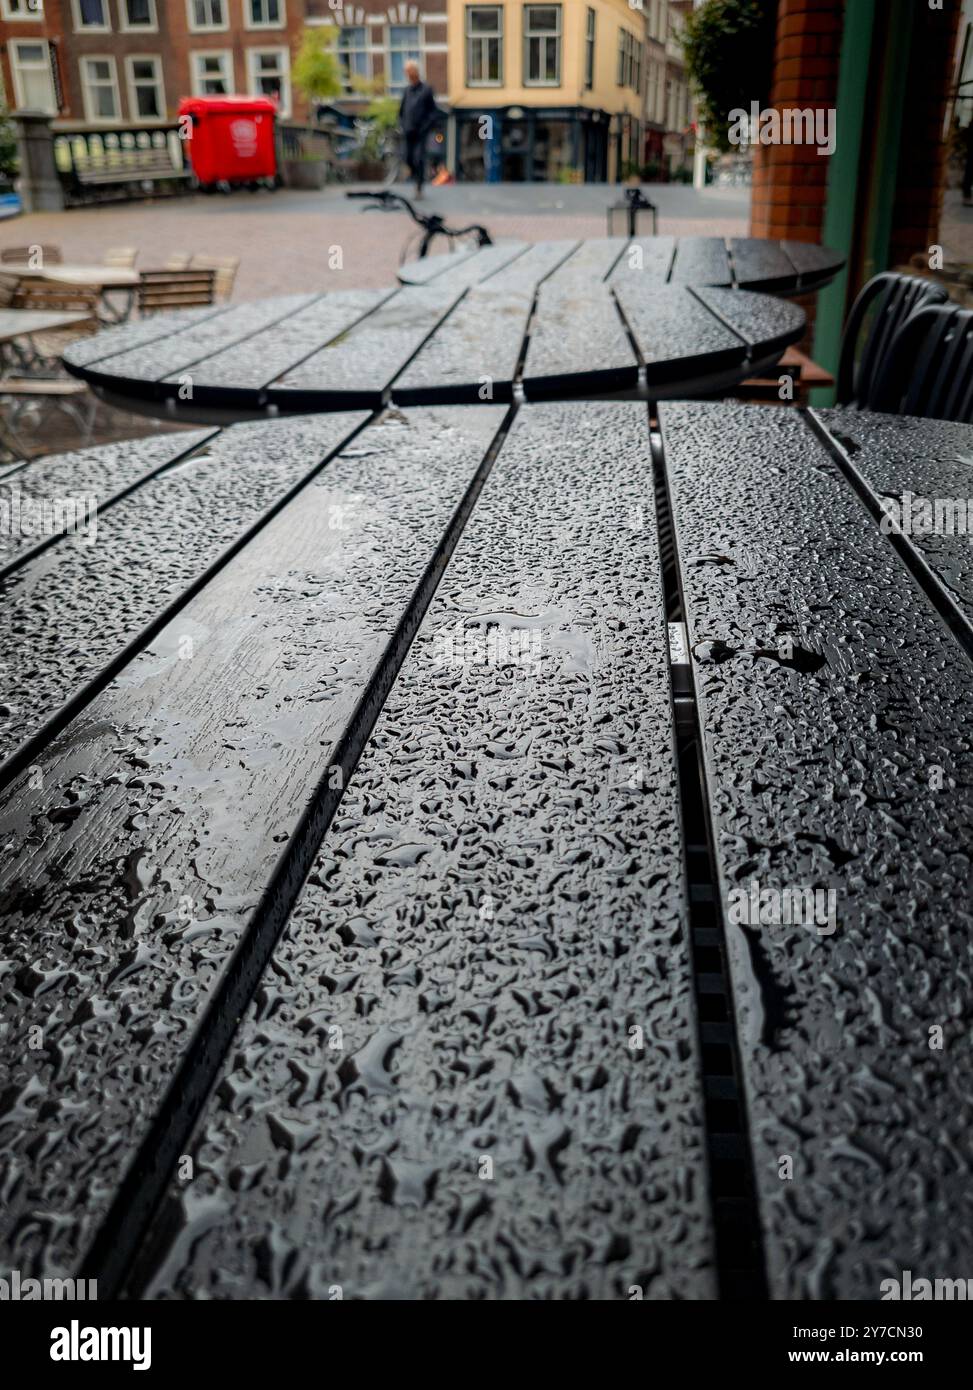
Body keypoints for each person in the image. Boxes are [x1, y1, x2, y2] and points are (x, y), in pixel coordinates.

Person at [398, 61, 437, 199]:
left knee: (419, 158)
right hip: (408, 132)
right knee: (407, 158)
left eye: (409, 71)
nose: (407, 74)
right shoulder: (407, 91)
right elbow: (401, 111)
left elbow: (433, 112)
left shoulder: (426, 90)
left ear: (415, 72)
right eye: (406, 72)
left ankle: (419, 186)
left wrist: (425, 127)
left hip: (421, 132)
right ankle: (416, 177)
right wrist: (402, 125)